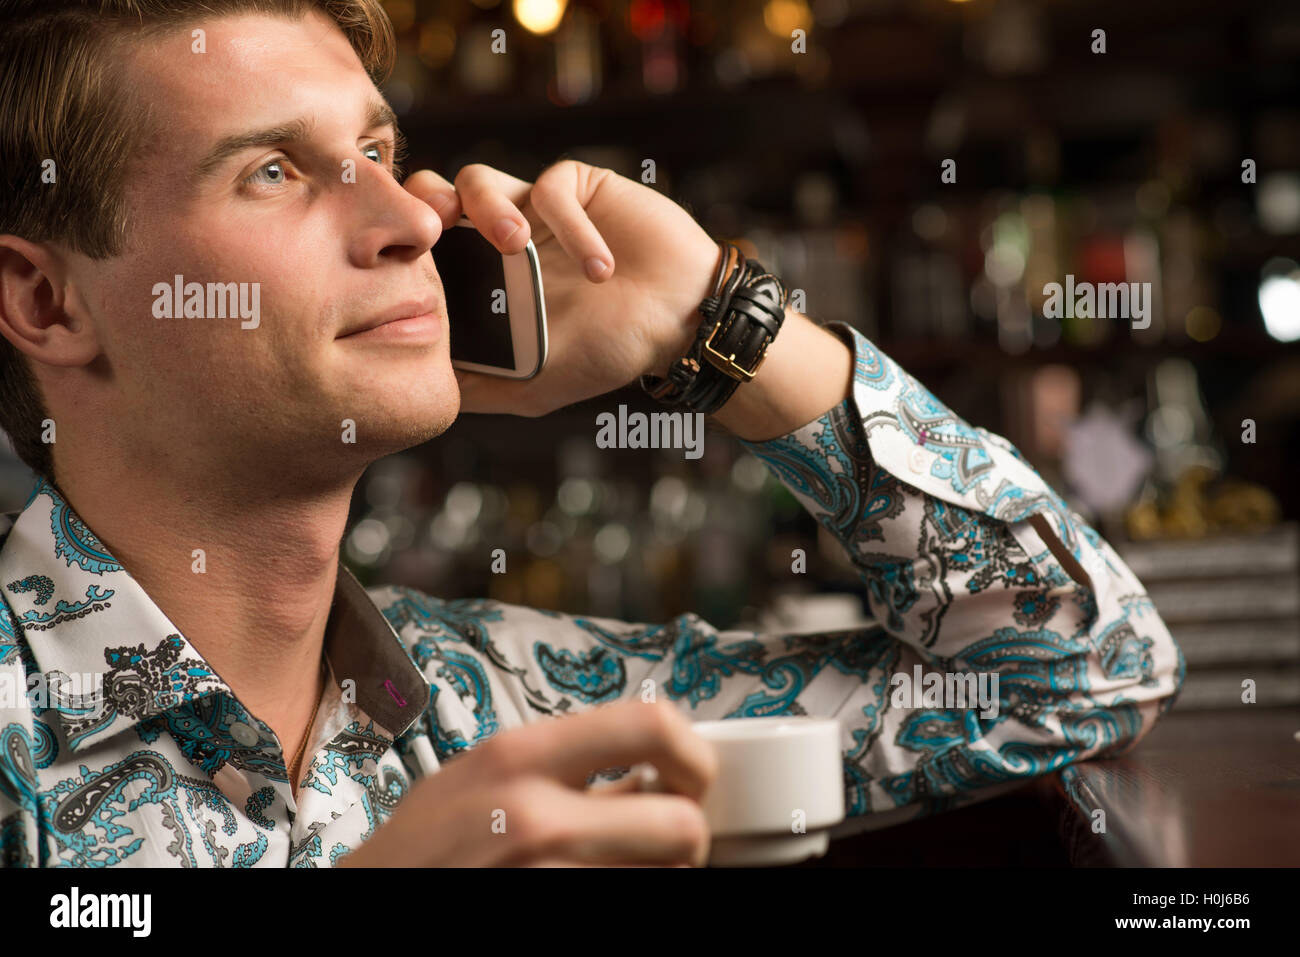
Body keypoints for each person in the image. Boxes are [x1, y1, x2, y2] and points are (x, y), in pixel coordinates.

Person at [0, 0, 1184, 868]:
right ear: (48, 303)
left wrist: (720, 324)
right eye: (271, 171)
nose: (412, 217)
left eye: (379, 154)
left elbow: (1075, 673)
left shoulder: (512, 704)